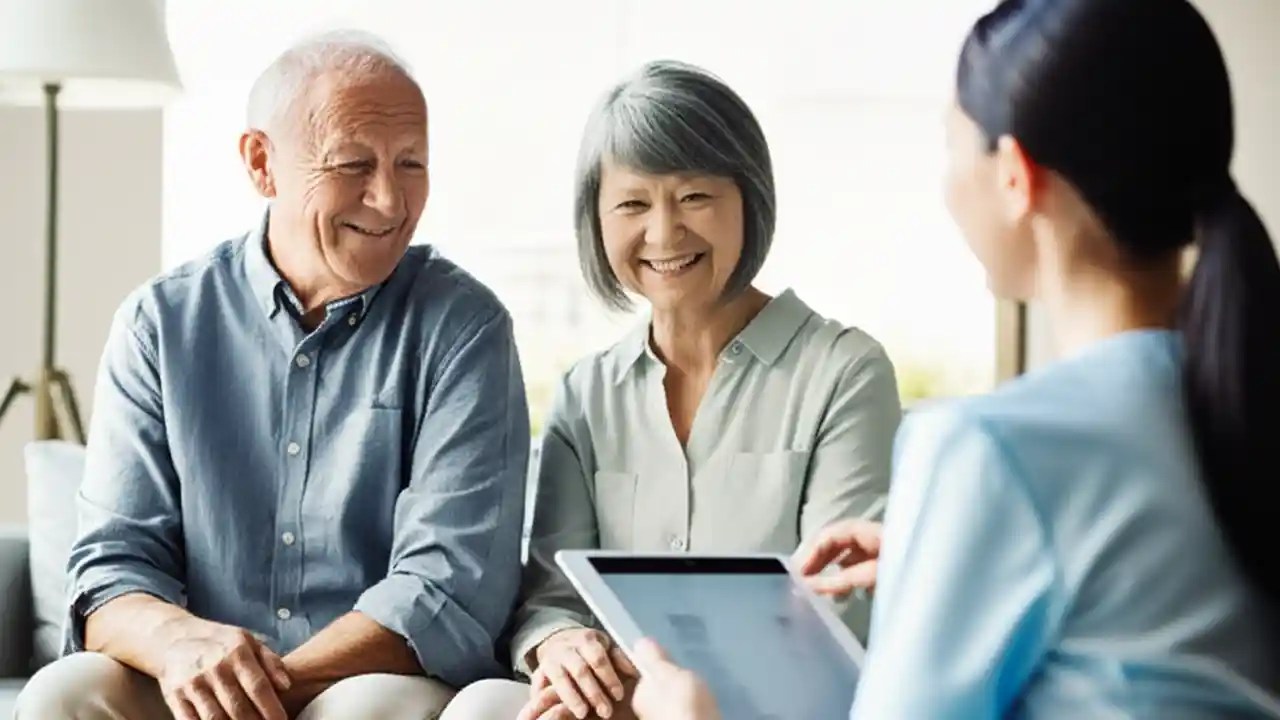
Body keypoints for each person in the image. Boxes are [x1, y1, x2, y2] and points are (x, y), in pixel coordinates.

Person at [628, 0, 1280, 717]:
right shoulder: (1243, 403)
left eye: (952, 145)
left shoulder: (991, 449)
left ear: (1014, 176)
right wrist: (941, 555)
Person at [14, 30, 531, 720]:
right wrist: (183, 649)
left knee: (368, 709)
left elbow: (445, 588)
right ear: (262, 163)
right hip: (191, 682)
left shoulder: (465, 327)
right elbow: (112, 568)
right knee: (64, 692)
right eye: (352, 163)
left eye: (411, 163)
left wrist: (263, 687)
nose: (389, 199)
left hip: (368, 678)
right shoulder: (159, 322)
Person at [442, 60, 901, 720]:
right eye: (632, 203)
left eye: (693, 198)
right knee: (484, 706)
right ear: (596, 221)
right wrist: (561, 642)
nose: (663, 234)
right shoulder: (588, 392)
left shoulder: (844, 371)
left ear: (748, 199)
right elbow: (553, 592)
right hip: (628, 699)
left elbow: (840, 608)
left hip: (784, 703)